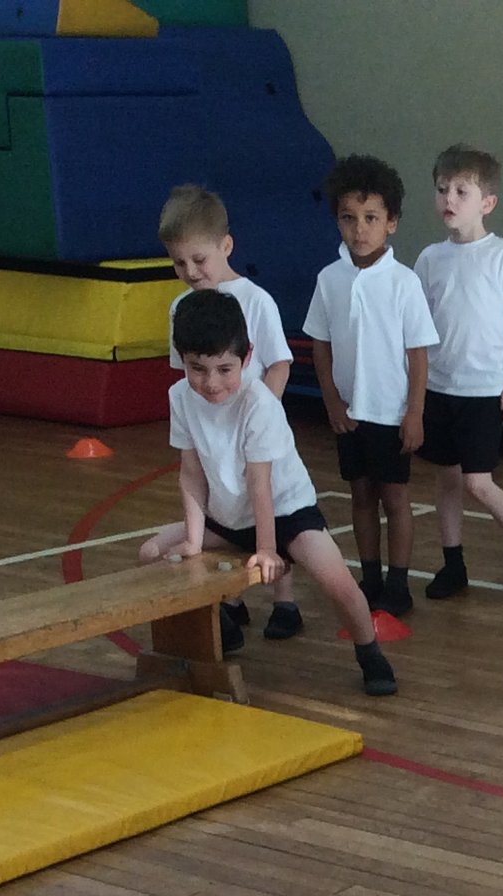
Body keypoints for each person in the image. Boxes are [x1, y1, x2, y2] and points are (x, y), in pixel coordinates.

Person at [139, 290, 397, 697]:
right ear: (181, 359)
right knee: (152, 554)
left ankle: (371, 654)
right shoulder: (180, 398)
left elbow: (260, 482)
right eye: (197, 369)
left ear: (247, 357)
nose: (211, 383)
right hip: (229, 518)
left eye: (225, 369)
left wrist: (267, 548)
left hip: (287, 513)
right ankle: (222, 627)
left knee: (339, 584)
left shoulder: (257, 403)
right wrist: (192, 538)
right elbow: (191, 475)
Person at [161, 184, 301, 642]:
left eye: (199, 260)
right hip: (212, 430)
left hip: (255, 428)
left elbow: (279, 362)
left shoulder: (255, 299)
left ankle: (285, 600)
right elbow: (184, 375)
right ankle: (230, 602)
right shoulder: (181, 307)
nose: (190, 271)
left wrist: (264, 420)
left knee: (268, 507)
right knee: (225, 509)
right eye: (180, 262)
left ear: (225, 246)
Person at [305, 153, 438, 619]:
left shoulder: (404, 284)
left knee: (396, 498)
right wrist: (332, 402)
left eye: (371, 218)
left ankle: (398, 583)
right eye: (348, 218)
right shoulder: (329, 279)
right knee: (361, 496)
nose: (359, 229)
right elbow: (320, 345)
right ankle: (372, 576)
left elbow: (418, 352)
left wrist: (414, 413)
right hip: (350, 415)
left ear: (392, 223)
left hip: (391, 413)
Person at [412, 144, 503, 603]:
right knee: (445, 480)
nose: (449, 198)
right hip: (438, 389)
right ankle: (453, 564)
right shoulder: (429, 259)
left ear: (486, 202)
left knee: (478, 482)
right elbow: (418, 329)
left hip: (483, 389)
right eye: (442, 189)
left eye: (461, 191)